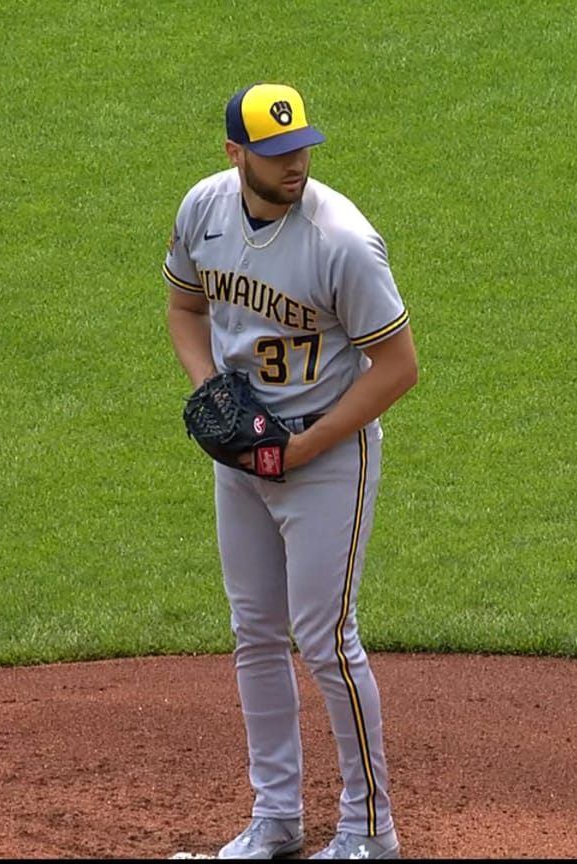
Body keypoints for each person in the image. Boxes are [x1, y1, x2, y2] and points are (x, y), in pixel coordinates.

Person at [162, 81, 418, 860]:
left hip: (327, 455)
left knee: (326, 639)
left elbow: (398, 367)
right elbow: (183, 307)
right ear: (236, 153)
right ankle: (274, 820)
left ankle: (369, 832)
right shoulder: (203, 211)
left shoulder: (340, 240)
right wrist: (211, 386)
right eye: (275, 153)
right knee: (255, 634)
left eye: (301, 146)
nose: (294, 163)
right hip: (243, 455)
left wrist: (305, 447)